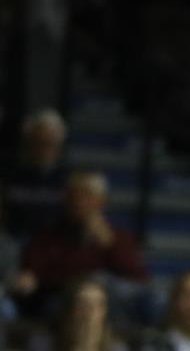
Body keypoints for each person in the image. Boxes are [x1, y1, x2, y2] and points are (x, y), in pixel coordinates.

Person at [22, 172, 147, 309]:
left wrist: (109, 245)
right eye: (73, 196)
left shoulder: (118, 237)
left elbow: (137, 278)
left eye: (86, 196)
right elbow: (34, 274)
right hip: (64, 297)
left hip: (108, 301)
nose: (78, 202)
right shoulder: (49, 235)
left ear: (102, 201)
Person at [4, 107, 70, 238]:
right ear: (28, 143)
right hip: (14, 242)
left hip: (55, 246)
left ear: (60, 146)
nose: (44, 149)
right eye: (38, 142)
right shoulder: (9, 177)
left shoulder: (69, 180)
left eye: (50, 143)